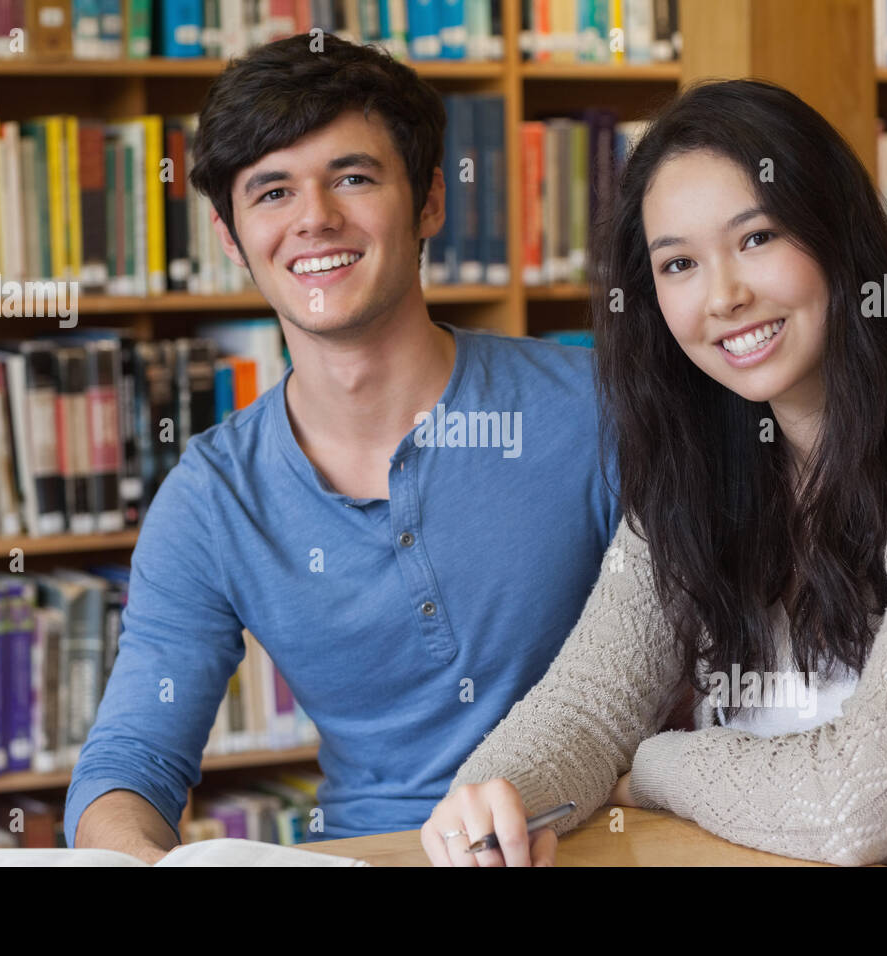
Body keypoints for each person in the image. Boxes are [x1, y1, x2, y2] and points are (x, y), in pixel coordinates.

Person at [422, 78, 887, 867]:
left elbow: (863, 806)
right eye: (678, 264)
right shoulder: (702, 470)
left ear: (836, 236)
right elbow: (588, 706)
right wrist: (494, 795)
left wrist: (652, 763)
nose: (724, 296)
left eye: (756, 239)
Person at [64, 33, 620, 860]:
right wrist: (130, 856)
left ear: (430, 201)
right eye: (273, 191)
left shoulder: (597, 412)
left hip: (591, 842)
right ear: (229, 236)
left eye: (353, 178)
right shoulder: (213, 497)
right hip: (367, 855)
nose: (314, 218)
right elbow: (133, 757)